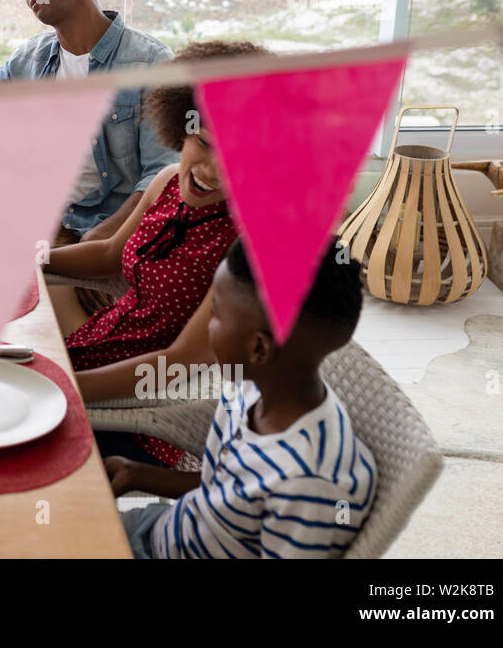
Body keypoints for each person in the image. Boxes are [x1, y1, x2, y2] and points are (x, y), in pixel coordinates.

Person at [44, 40, 269, 467]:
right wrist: (31, 258)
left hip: (138, 413)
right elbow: (110, 253)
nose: (207, 170)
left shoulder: (248, 243)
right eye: (202, 143)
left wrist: (65, 385)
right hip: (88, 353)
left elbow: (180, 362)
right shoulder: (167, 182)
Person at [105, 239, 376, 559]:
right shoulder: (249, 388)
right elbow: (226, 492)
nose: (207, 326)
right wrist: (138, 474)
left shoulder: (309, 485)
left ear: (258, 348)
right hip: (162, 528)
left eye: (216, 314)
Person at [0, 0, 176, 242]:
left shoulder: (150, 63)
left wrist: (98, 241)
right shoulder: (32, 57)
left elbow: (160, 177)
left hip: (98, 233)